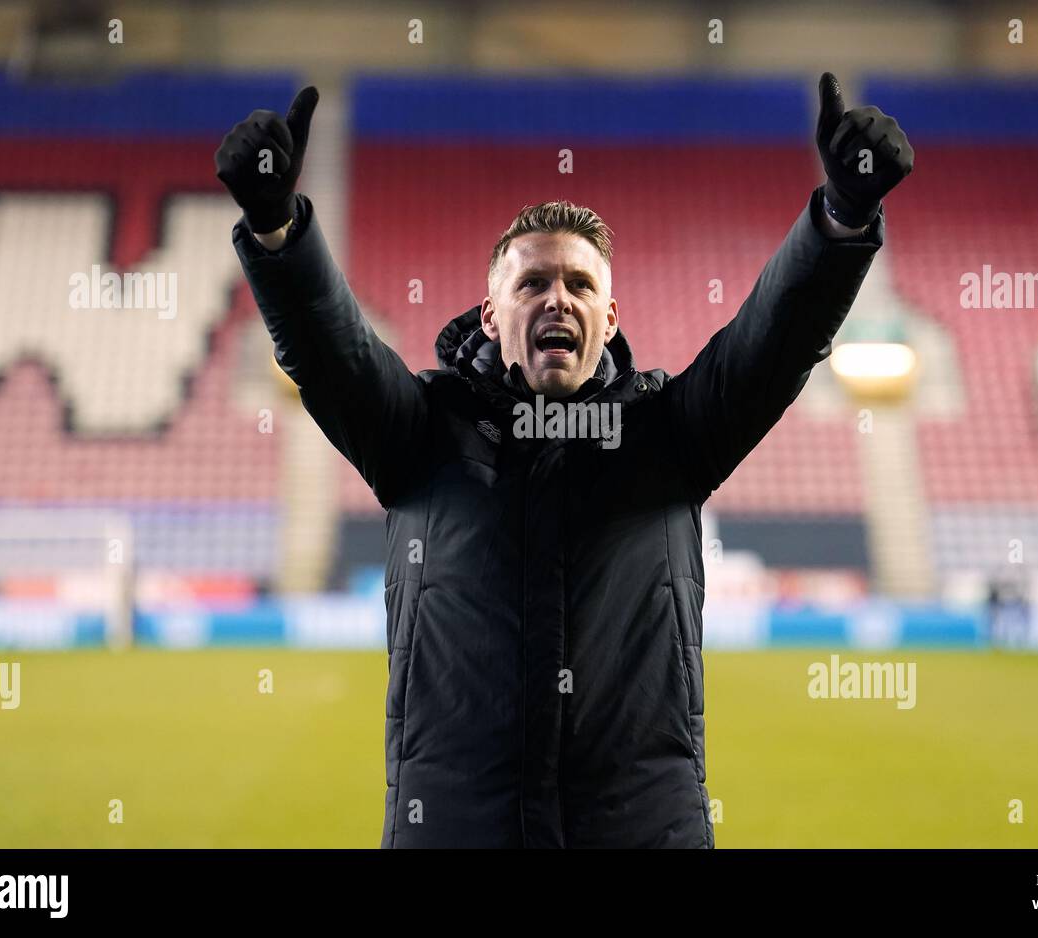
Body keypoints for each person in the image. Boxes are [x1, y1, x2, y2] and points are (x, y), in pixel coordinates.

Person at [215, 73, 913, 847]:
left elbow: (775, 342)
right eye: (533, 283)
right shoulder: (417, 434)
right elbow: (330, 350)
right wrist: (278, 231)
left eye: (581, 284)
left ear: (609, 317)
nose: (559, 300)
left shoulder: (672, 437)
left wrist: (842, 221)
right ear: (491, 311)